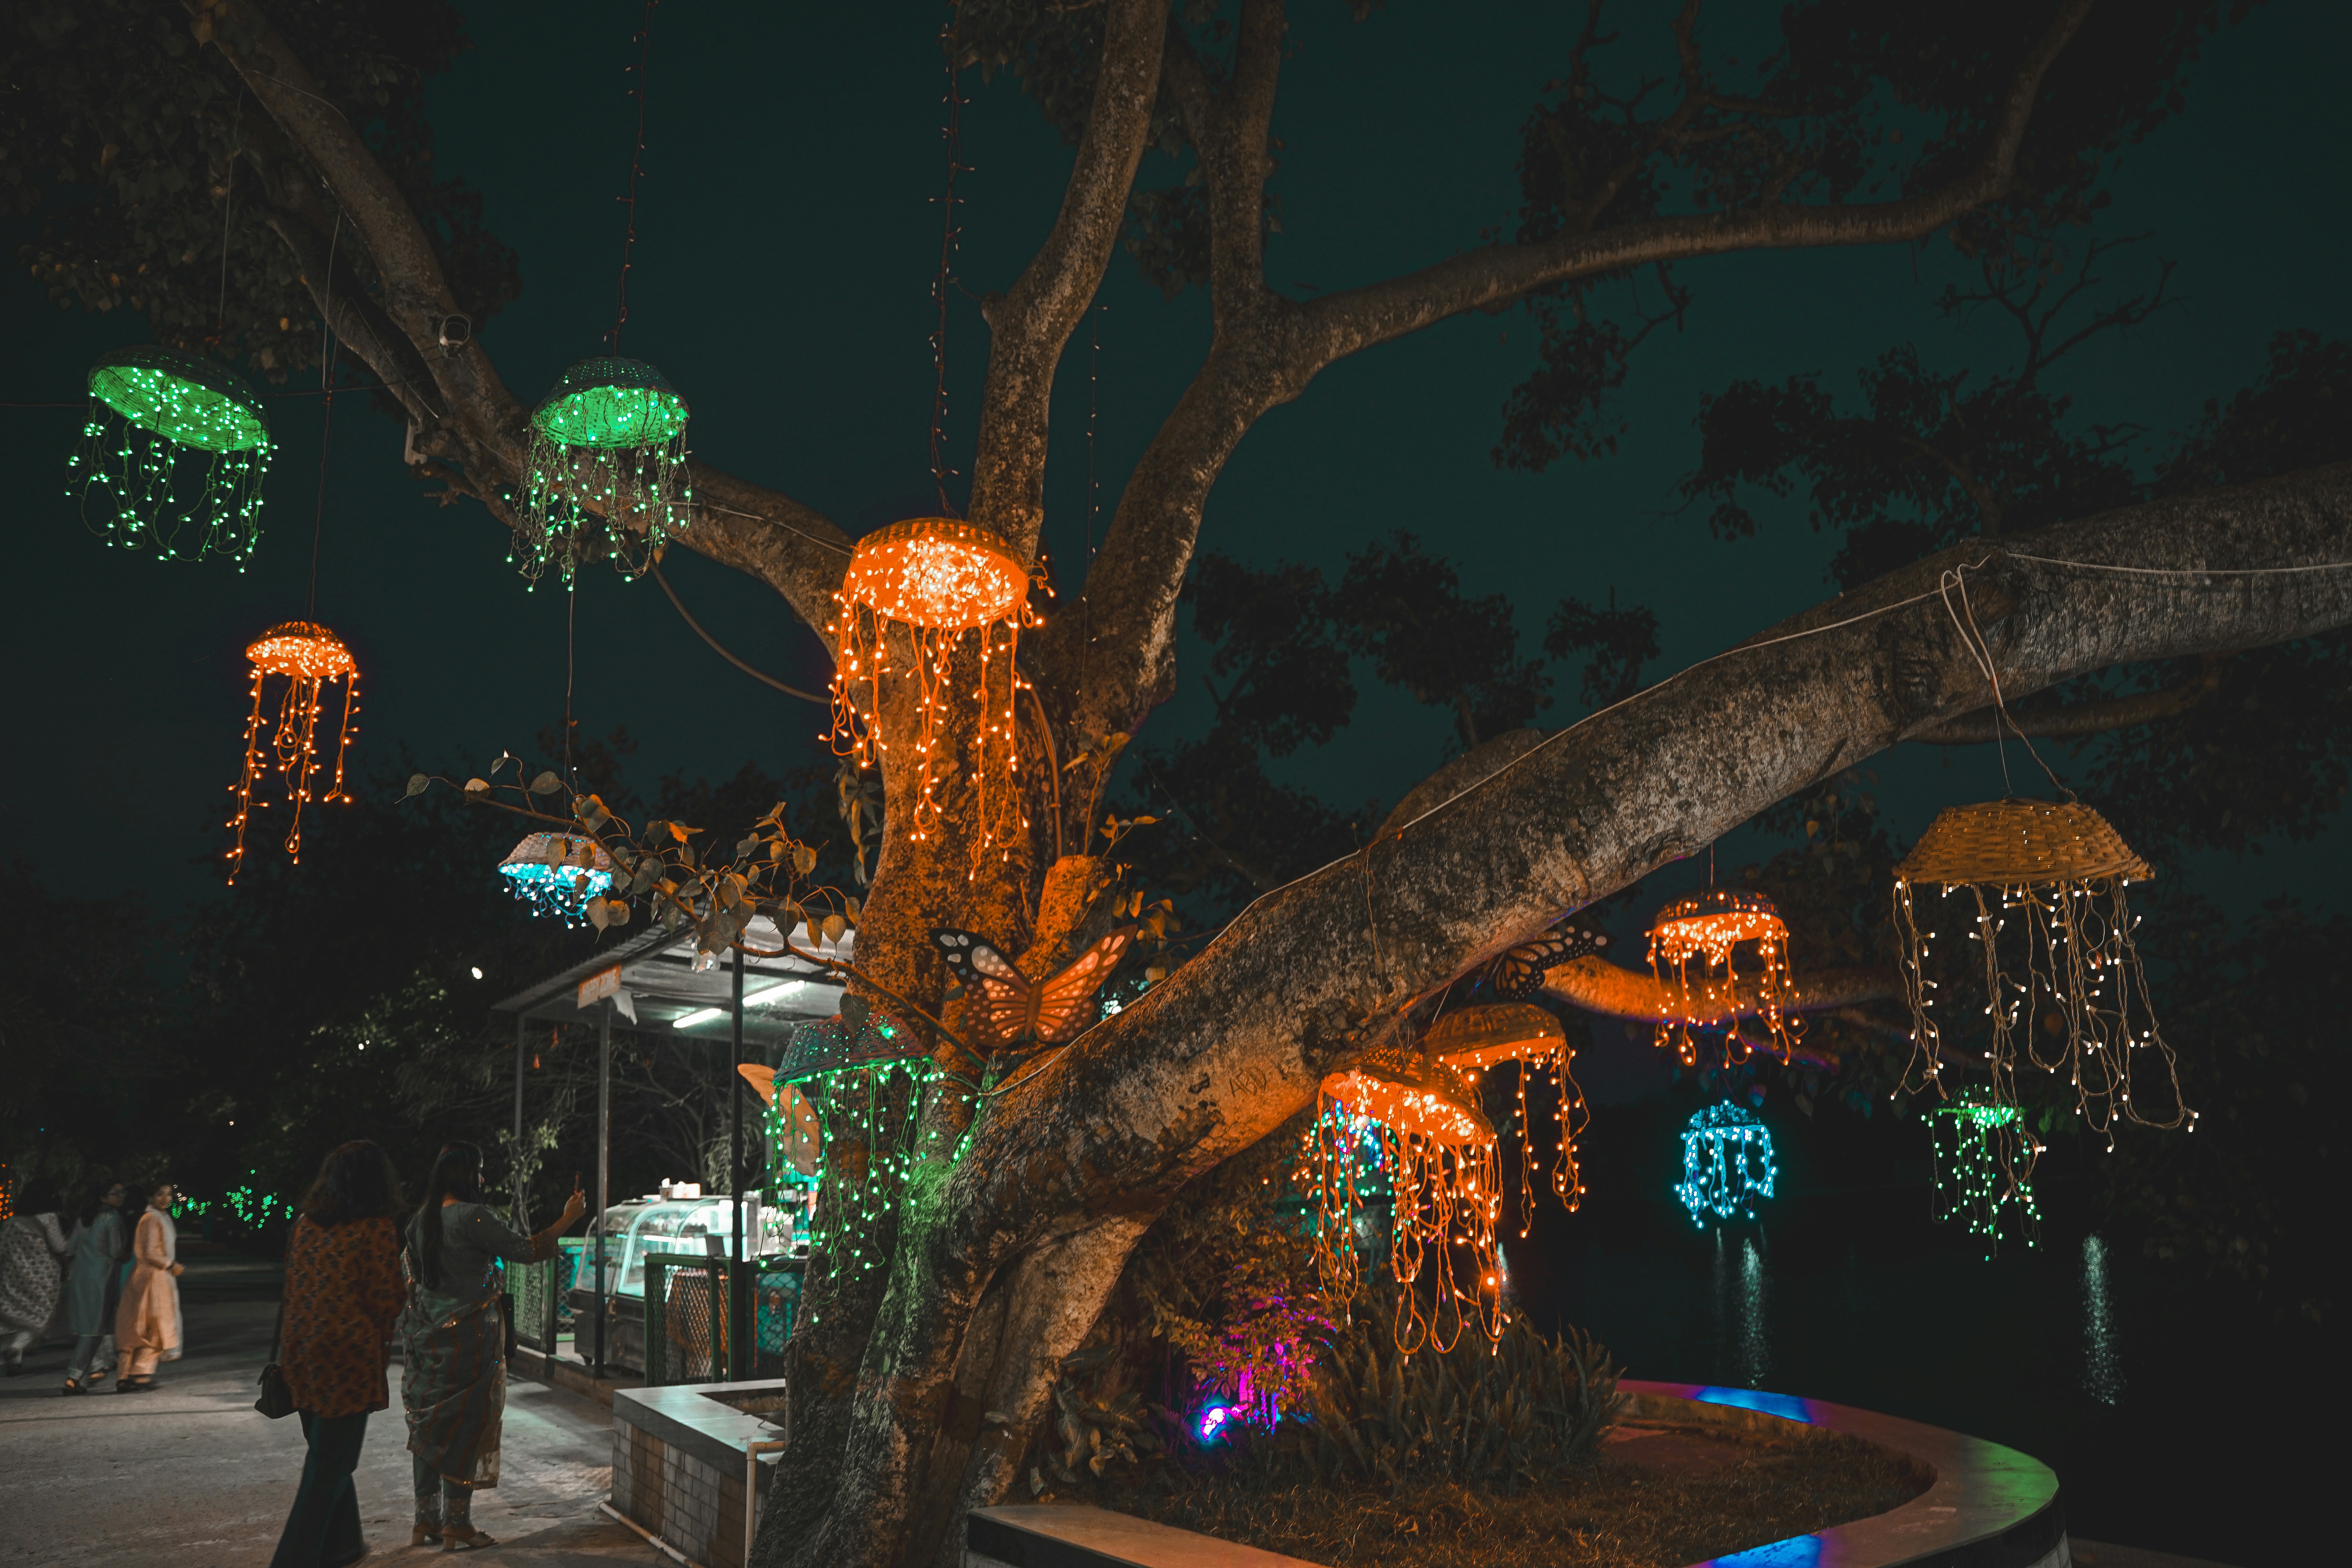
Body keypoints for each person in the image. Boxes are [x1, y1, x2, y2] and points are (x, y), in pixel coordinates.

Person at [401, 1143, 584, 1550]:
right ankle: (458, 1522)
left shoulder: (419, 1222)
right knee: (466, 1422)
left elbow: (410, 1276)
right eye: (479, 1172)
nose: (482, 1180)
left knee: (429, 1426)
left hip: (425, 1339)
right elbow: (526, 1250)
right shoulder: (473, 1217)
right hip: (470, 1339)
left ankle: (424, 1521)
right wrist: (567, 1219)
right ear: (465, 1175)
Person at [268, 1142, 408, 1568]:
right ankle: (293, 1559)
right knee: (330, 1464)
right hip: (347, 1359)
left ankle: (344, 1545)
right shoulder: (374, 1227)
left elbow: (292, 1288)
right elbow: (387, 1297)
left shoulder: (306, 1224)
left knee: (328, 1454)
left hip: (302, 1356)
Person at [114, 1178, 184, 1391]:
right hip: (153, 1278)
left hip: (150, 1277)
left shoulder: (158, 1217)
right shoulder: (152, 1219)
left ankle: (127, 1376)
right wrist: (171, 1265)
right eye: (161, 1194)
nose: (166, 1199)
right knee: (153, 1326)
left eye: (169, 1194)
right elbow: (151, 1252)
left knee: (139, 1326)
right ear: (150, 1197)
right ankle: (139, 1374)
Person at [62, 1180, 129, 1393]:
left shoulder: (84, 1219)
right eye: (115, 1193)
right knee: (94, 1330)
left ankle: (79, 1375)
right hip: (103, 1279)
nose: (121, 1196)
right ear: (103, 1197)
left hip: (81, 1278)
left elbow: (70, 1248)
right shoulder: (112, 1218)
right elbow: (117, 1251)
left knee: (90, 1330)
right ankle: (73, 1377)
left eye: (122, 1192)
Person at [0, 1179, 72, 1375]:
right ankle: (17, 1348)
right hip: (43, 1277)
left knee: (16, 1315)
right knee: (41, 1317)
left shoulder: (12, 1221)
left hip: (13, 1276)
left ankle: (15, 1356)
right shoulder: (49, 1217)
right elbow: (59, 1247)